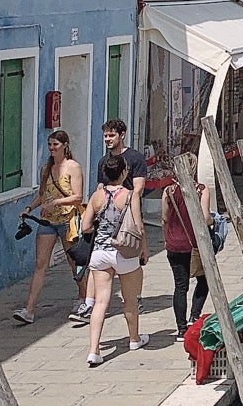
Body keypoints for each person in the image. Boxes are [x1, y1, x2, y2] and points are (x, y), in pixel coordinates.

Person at [13, 128, 86, 325]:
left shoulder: (73, 167)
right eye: (50, 145)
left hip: (68, 220)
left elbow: (78, 197)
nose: (52, 148)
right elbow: (42, 194)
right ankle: (29, 310)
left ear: (65, 146)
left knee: (74, 262)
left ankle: (83, 299)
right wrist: (29, 208)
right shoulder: (46, 169)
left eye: (56, 145)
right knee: (40, 264)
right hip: (47, 222)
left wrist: (54, 203)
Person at [82, 155, 149, 367]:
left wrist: (99, 229)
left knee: (100, 302)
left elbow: (85, 227)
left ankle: (94, 350)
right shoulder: (130, 196)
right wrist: (144, 250)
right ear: (124, 173)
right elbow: (138, 227)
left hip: (100, 252)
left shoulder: (96, 196)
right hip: (124, 253)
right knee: (130, 300)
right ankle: (134, 339)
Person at [86, 119, 148, 325]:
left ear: (122, 135)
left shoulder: (135, 158)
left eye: (111, 135)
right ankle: (89, 302)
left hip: (128, 212)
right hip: (108, 215)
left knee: (130, 261)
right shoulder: (103, 162)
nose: (107, 139)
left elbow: (138, 188)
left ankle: (133, 299)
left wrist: (126, 204)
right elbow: (99, 187)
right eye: (105, 136)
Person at [162, 176, 210, 339]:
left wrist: (166, 238)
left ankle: (181, 329)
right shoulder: (201, 190)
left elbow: (164, 219)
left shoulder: (168, 191)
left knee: (180, 286)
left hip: (174, 244)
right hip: (194, 244)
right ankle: (194, 316)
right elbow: (205, 217)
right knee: (204, 280)